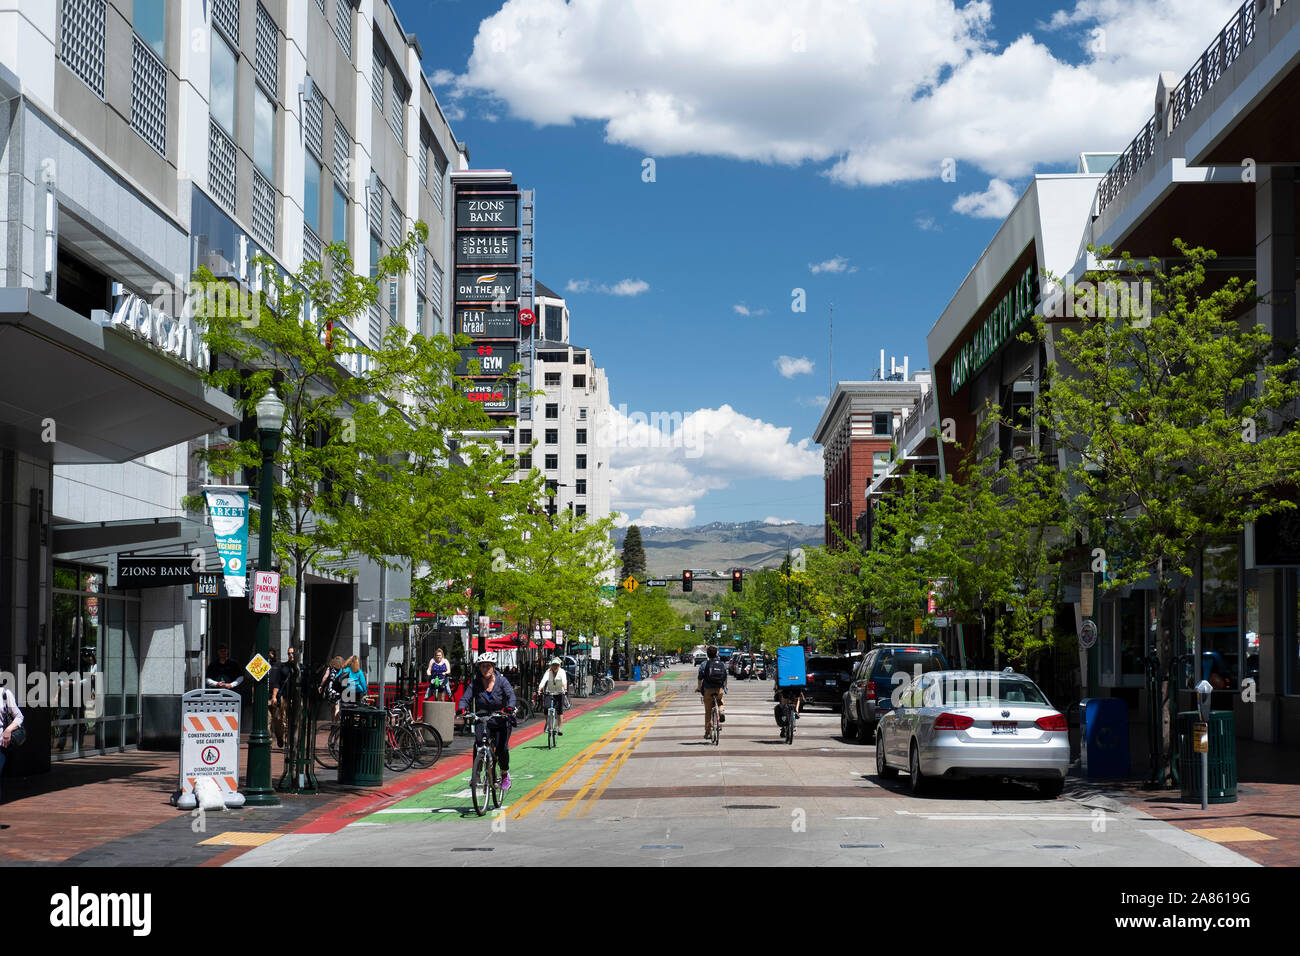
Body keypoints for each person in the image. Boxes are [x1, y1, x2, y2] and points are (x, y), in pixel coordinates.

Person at [457, 652, 517, 791]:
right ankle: (476, 773)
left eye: (489, 666)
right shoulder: (476, 683)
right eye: (483, 666)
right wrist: (461, 709)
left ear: (494, 667)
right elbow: (465, 698)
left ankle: (504, 774)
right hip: (483, 718)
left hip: (501, 718)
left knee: (502, 748)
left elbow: (511, 695)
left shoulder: (502, 681)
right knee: (478, 744)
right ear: (480, 668)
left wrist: (509, 707)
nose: (486, 669)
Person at [696, 645, 728, 739]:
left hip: (708, 690)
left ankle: (708, 732)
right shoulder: (721, 664)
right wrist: (725, 688)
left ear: (707, 654)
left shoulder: (704, 664)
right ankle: (721, 710)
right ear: (716, 654)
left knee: (708, 711)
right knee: (720, 701)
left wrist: (699, 688)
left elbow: (700, 678)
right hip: (719, 689)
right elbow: (725, 678)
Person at [537, 657, 568, 735]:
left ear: (559, 665)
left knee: (559, 711)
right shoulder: (548, 672)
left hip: (559, 693)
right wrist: (540, 689)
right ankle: (548, 725)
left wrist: (565, 689)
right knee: (546, 708)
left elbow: (564, 681)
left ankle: (560, 727)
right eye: (553, 665)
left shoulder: (562, 672)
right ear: (551, 665)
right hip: (549, 693)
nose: (555, 667)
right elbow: (543, 681)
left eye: (556, 665)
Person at [317, 655, 346, 721]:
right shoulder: (343, 669)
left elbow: (325, 677)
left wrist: (321, 685)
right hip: (338, 689)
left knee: (332, 707)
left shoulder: (330, 668)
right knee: (337, 707)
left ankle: (333, 722)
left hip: (331, 690)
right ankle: (336, 722)